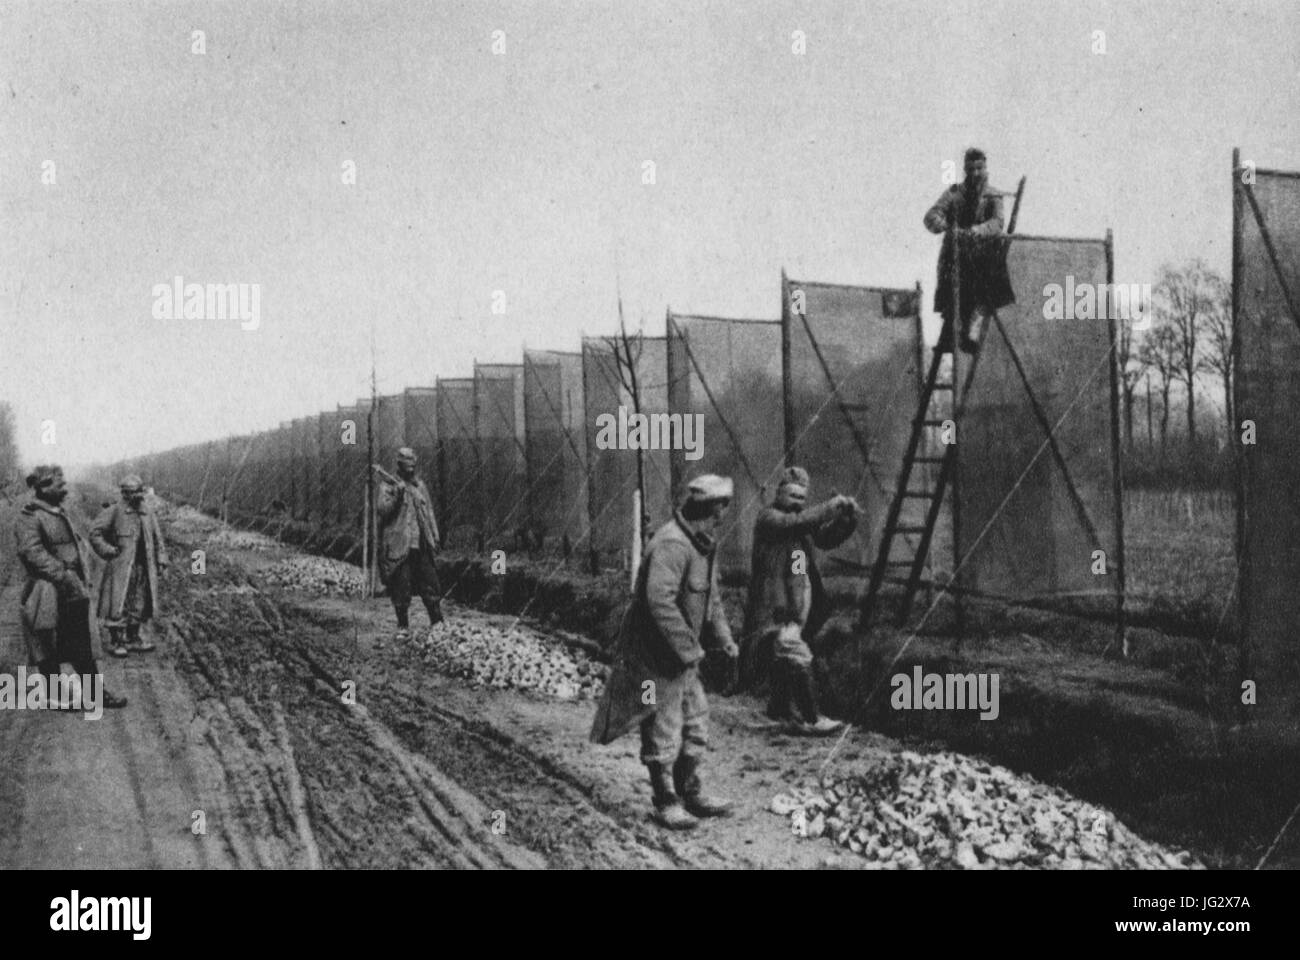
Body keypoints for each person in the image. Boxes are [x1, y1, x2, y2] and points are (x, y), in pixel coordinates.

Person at [590, 474, 738, 830]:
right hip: (656, 659)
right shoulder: (671, 545)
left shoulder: (701, 545)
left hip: (684, 658)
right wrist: (689, 648)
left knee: (696, 722)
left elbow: (711, 602)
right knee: (663, 728)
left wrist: (725, 641)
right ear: (707, 507)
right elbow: (659, 602)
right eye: (721, 507)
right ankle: (665, 800)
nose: (723, 515)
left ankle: (690, 790)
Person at [739, 466, 857, 735]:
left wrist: (846, 519)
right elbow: (798, 522)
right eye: (791, 495)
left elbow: (826, 538)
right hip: (776, 606)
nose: (796, 502)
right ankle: (811, 718)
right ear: (778, 492)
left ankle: (779, 709)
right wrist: (828, 507)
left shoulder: (799, 521)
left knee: (785, 656)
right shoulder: (769, 518)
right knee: (796, 653)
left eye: (802, 498)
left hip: (797, 603)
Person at [16, 465, 127, 709]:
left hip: (71, 589)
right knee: (47, 643)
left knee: (81, 642)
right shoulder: (30, 517)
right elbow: (31, 552)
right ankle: (55, 697)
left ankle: (95, 694)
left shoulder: (56, 511)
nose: (64, 488)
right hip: (46, 590)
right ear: (43, 488)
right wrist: (62, 573)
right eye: (59, 484)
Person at [923, 147, 1016, 354]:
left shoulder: (994, 196)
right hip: (956, 257)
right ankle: (952, 333)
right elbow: (931, 216)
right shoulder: (955, 193)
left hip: (981, 255)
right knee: (955, 287)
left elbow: (997, 223)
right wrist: (947, 226)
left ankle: (965, 330)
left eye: (979, 168)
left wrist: (976, 231)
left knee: (979, 280)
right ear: (965, 170)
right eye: (971, 169)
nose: (975, 174)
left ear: (985, 168)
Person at [89, 474, 169, 657]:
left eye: (140, 491)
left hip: (143, 566)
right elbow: (95, 533)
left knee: (140, 601)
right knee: (118, 603)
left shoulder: (147, 512)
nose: (138, 496)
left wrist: (161, 559)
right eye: (134, 492)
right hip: (121, 567)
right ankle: (117, 640)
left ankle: (134, 638)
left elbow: (157, 538)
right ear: (125, 494)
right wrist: (108, 550)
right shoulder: (114, 511)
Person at [375, 447, 444, 641]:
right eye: (407, 464)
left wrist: (435, 536)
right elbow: (383, 511)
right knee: (401, 586)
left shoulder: (419, 486)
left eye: (413, 464)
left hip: (420, 544)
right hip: (399, 545)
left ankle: (437, 622)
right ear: (399, 465)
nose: (411, 467)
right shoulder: (387, 487)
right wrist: (397, 495)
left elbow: (428, 511)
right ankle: (403, 626)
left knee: (430, 583)